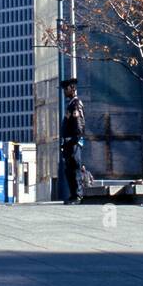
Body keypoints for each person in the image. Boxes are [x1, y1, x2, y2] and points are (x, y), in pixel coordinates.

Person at [59, 77, 85, 205]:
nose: (64, 91)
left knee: (75, 168)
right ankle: (73, 195)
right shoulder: (71, 104)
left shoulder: (76, 104)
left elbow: (79, 123)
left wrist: (75, 138)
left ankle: (78, 196)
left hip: (73, 142)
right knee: (69, 169)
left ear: (73, 89)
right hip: (69, 142)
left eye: (66, 88)